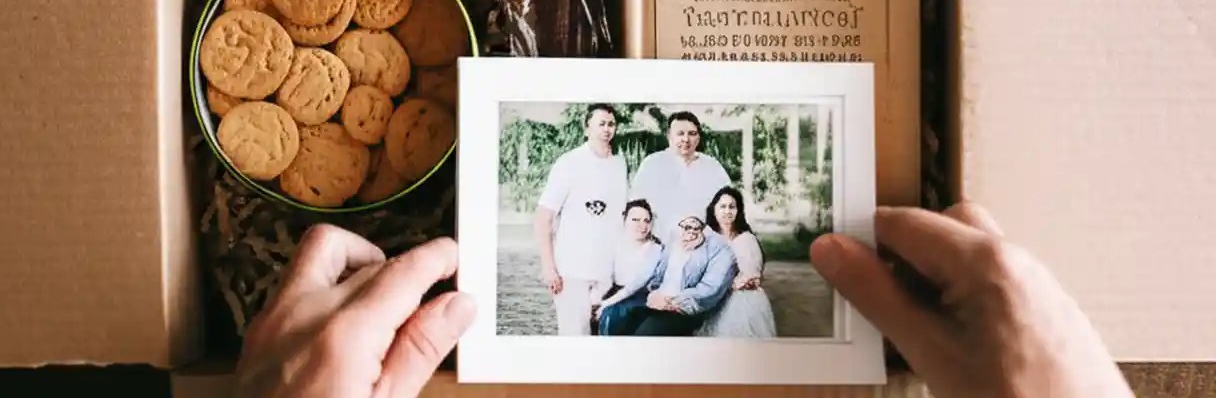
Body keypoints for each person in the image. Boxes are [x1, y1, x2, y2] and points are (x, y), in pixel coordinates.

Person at [234, 201, 1135, 398]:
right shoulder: (662, 241)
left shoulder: (716, 250)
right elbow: (656, 278)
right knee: (612, 313)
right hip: (650, 304)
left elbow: (701, 289)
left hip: (706, 317)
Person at [531, 103, 628, 336]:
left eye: (611, 124)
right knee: (575, 339)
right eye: (601, 124)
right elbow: (543, 218)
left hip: (608, 273)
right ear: (587, 129)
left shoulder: (619, 164)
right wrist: (549, 268)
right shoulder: (569, 163)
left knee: (604, 341)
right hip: (572, 271)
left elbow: (623, 216)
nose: (607, 129)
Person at [598, 213, 737, 336]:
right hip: (656, 301)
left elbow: (710, 290)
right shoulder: (673, 240)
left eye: (696, 227)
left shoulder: (721, 250)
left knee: (646, 333)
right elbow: (657, 275)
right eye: (686, 226)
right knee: (617, 320)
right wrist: (654, 293)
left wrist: (671, 301)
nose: (690, 231)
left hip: (683, 309)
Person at [630, 111, 733, 240]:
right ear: (669, 136)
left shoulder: (713, 167)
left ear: (698, 137)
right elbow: (636, 208)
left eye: (692, 134)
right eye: (680, 134)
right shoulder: (651, 164)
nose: (686, 139)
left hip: (703, 245)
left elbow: (730, 204)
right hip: (660, 245)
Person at [695, 187, 777, 338]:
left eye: (732, 207)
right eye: (723, 206)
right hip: (712, 295)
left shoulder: (746, 239)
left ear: (738, 210)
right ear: (714, 209)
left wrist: (744, 282)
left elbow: (752, 276)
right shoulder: (705, 237)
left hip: (742, 296)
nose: (727, 211)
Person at [593, 199, 665, 333]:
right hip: (614, 291)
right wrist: (596, 299)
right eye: (636, 220)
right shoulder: (615, 243)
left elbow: (637, 284)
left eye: (646, 221)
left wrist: (606, 304)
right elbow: (605, 275)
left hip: (639, 295)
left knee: (611, 315)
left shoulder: (655, 249)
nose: (642, 225)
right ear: (624, 219)